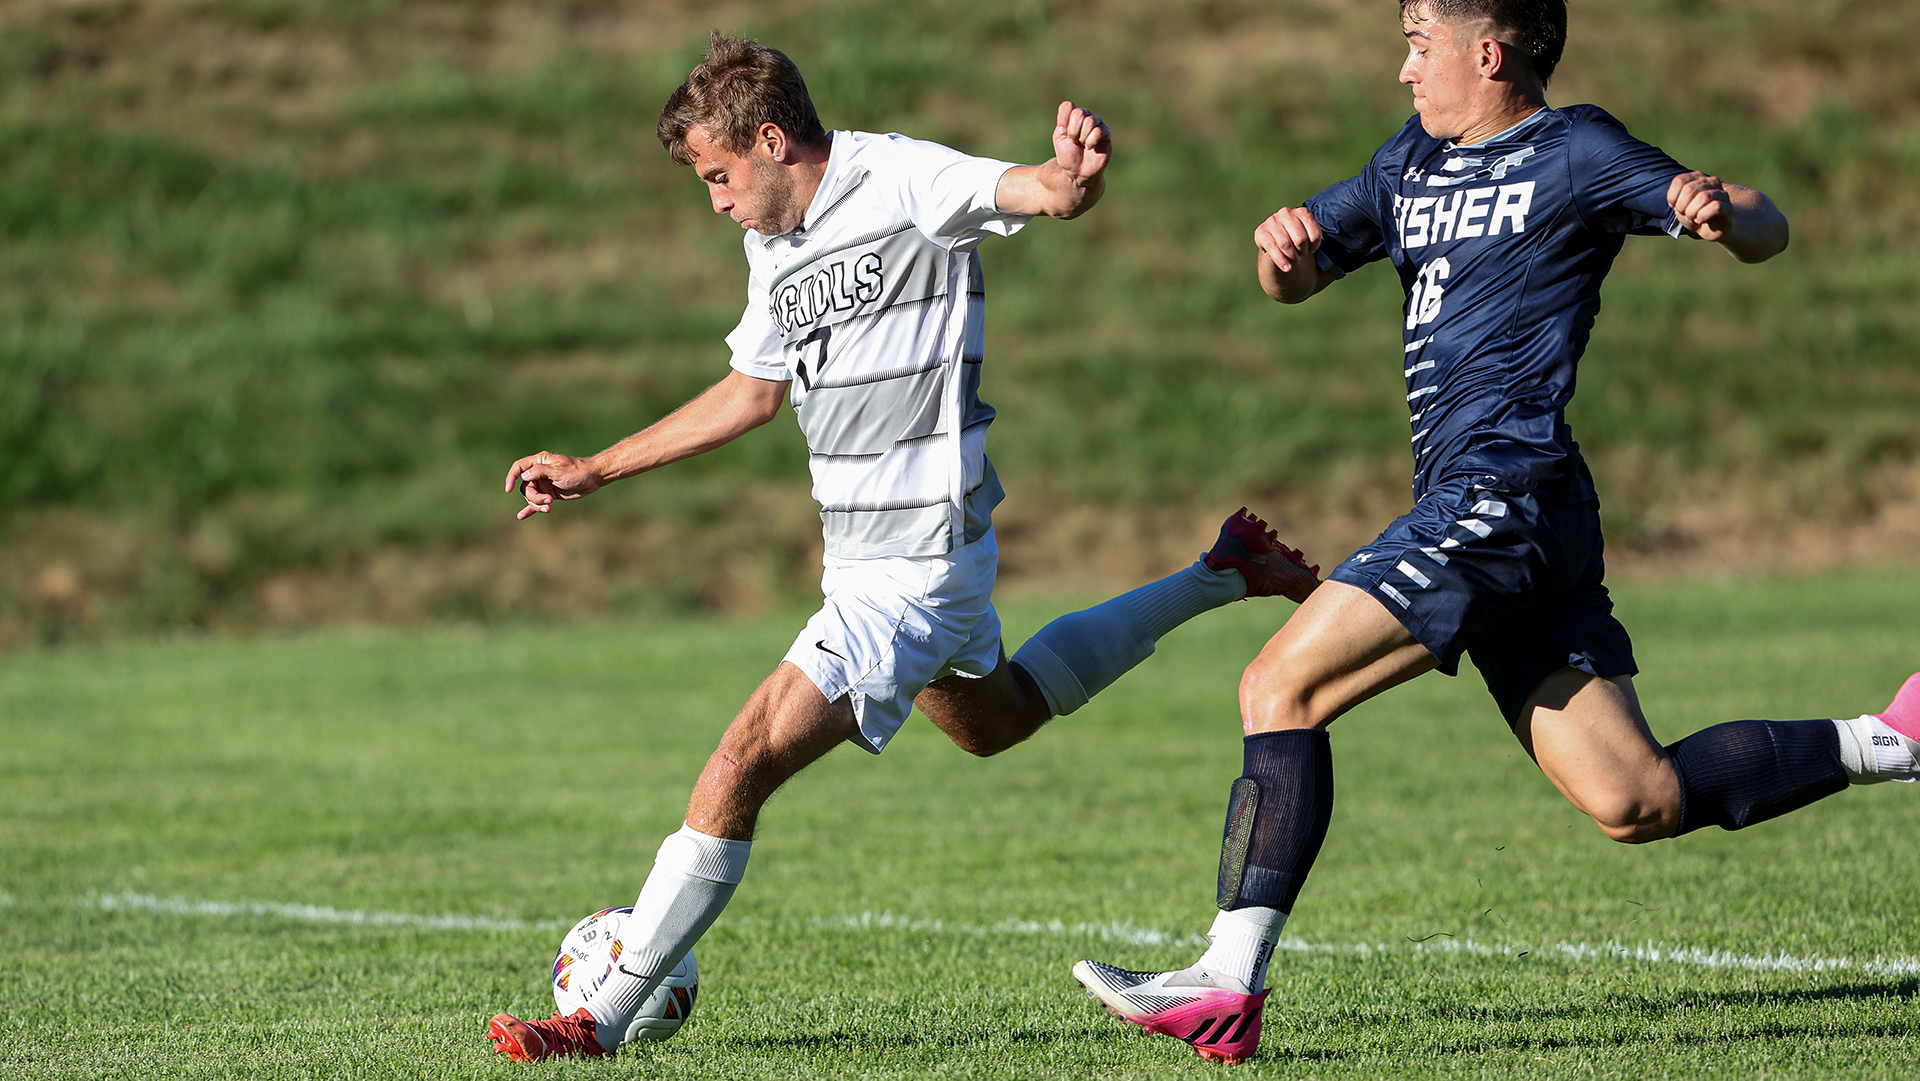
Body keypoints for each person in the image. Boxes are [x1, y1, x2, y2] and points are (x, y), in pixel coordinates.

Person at [1072, 0, 1920, 1065]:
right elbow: (1292, 275)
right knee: (1635, 796)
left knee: (1276, 687)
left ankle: (1224, 979)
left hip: (1500, 494)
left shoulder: (1576, 151)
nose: (1402, 70)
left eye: (1419, 44)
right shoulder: (1406, 165)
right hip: (1525, 513)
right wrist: (1281, 255)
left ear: (1490, 51)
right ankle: (1894, 739)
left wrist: (1720, 212)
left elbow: (1765, 222)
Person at [483, 33, 1321, 1062]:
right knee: (996, 718)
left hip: (912, 565)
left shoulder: (903, 177)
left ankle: (595, 1021)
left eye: (717, 175)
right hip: (892, 562)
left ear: (773, 140)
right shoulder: (772, 246)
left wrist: (1068, 179)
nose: (714, 203)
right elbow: (754, 388)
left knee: (737, 762)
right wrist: (596, 467)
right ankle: (1221, 570)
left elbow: (1035, 192)